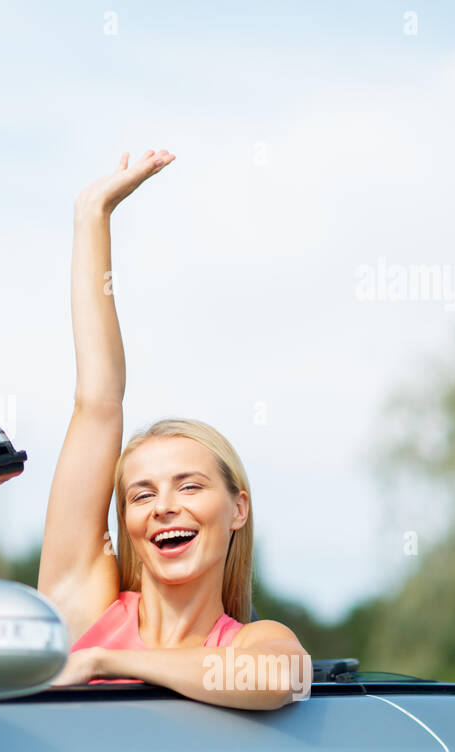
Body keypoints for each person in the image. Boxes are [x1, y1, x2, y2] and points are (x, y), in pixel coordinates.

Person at [39, 150, 310, 709]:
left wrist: (102, 661)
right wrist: (92, 214)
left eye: (189, 486)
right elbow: (97, 401)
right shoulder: (85, 606)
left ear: (238, 509)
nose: (164, 506)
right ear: (129, 522)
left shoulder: (259, 643)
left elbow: (279, 680)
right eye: (142, 494)